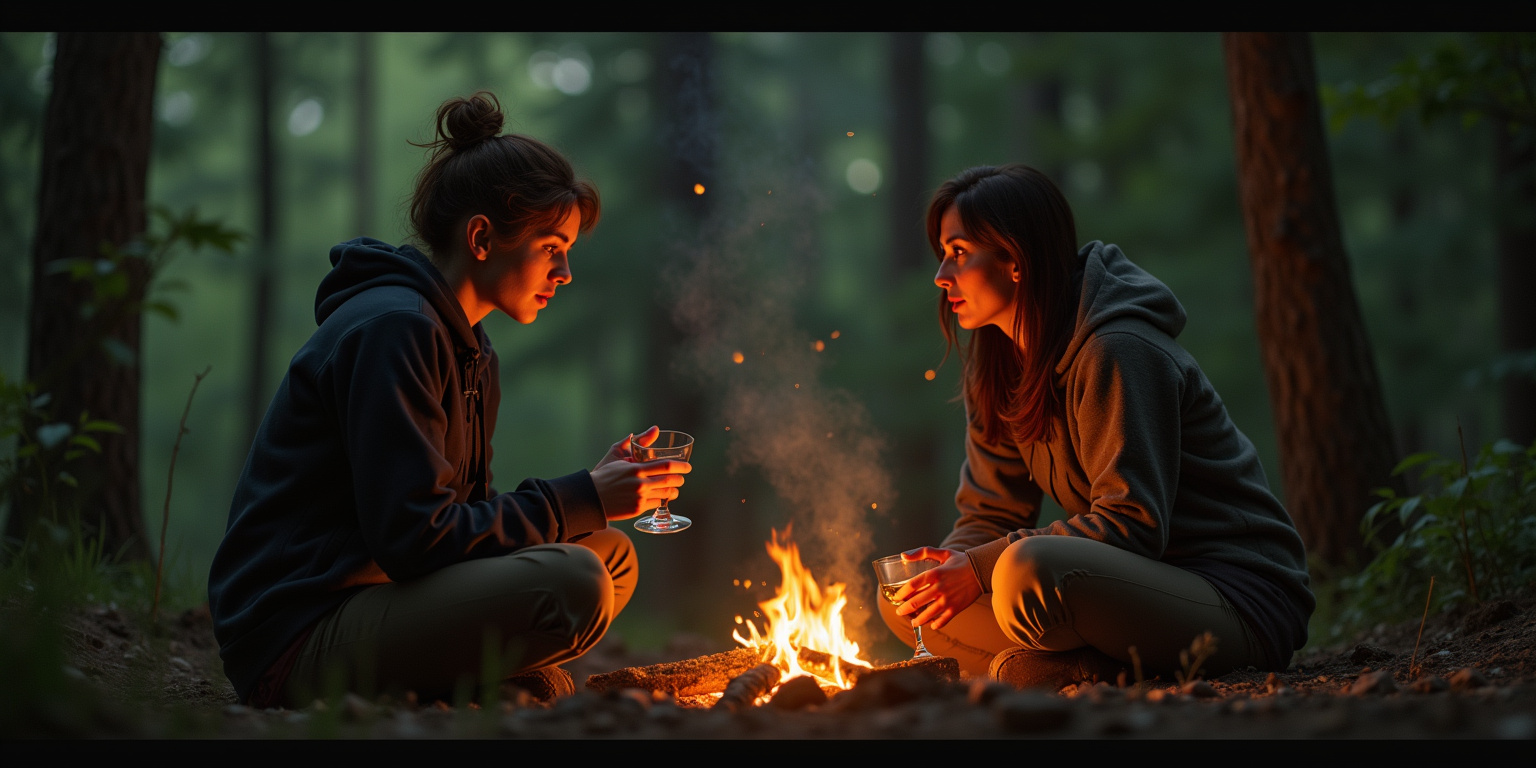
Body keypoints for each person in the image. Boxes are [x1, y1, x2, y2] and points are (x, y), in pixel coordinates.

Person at [208, 92, 690, 708]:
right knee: (576, 581)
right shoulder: (394, 330)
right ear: (482, 237)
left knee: (610, 554)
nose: (564, 272)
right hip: (296, 633)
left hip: (377, 595)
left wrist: (594, 491)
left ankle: (479, 675)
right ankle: (477, 677)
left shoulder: (468, 348)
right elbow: (417, 539)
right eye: (551, 248)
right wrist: (581, 496)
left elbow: (464, 521)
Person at [878, 164, 1314, 691]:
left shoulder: (1118, 350)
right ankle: (1073, 668)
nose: (941, 275)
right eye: (944, 254)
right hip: (1121, 592)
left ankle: (1079, 667)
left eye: (960, 252)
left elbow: (1132, 524)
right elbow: (989, 515)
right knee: (903, 598)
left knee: (1028, 572)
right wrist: (947, 572)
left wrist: (975, 570)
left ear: (1014, 260)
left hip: (1236, 596)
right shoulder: (998, 364)